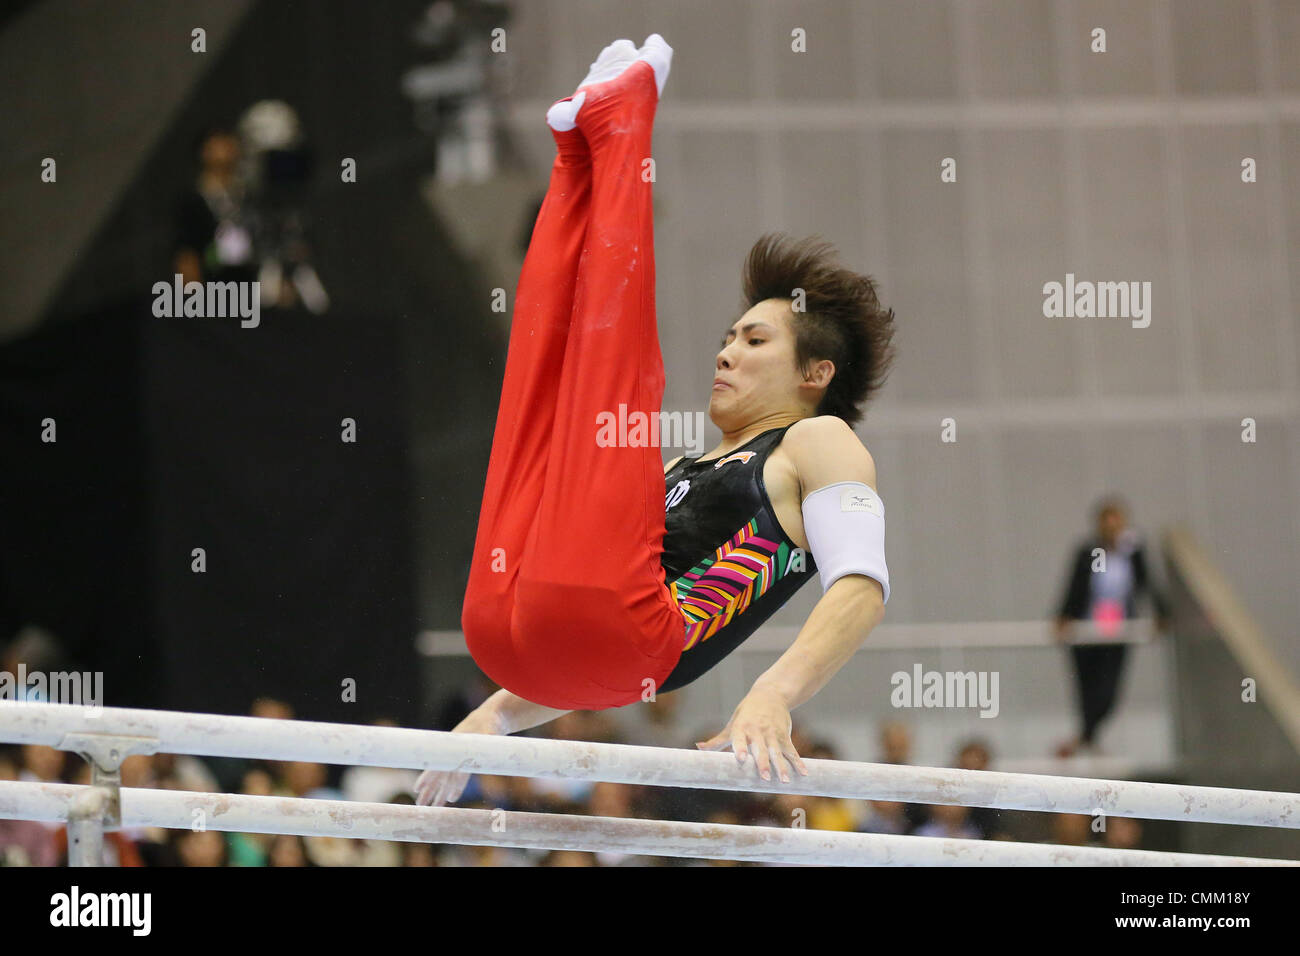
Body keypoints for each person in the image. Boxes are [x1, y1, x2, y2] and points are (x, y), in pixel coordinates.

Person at [416, 35, 896, 805]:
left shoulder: (818, 441)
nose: (727, 352)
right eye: (729, 336)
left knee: (613, 381)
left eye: (754, 339)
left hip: (632, 640)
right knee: (542, 388)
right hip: (513, 637)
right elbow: (582, 649)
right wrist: (493, 718)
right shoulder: (688, 467)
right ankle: (575, 153)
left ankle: (623, 121)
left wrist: (773, 694)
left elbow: (861, 585)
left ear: (817, 375)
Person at [1053, 495, 1168, 756]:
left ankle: (1084, 737)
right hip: (1087, 627)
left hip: (1117, 628)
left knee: (1108, 692)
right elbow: (1073, 587)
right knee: (1086, 688)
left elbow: (1148, 583)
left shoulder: (1133, 552)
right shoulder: (1087, 552)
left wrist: (1162, 613)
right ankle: (1086, 737)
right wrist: (1062, 616)